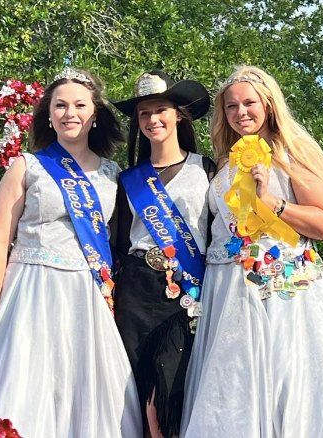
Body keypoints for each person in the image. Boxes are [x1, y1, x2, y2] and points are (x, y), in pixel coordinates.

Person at [181, 65, 323, 438]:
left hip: (282, 288)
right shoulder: (226, 159)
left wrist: (273, 203)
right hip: (226, 289)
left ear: (269, 104)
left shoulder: (296, 151)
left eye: (249, 103)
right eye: (231, 106)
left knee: (290, 382)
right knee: (232, 385)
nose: (241, 112)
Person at [0, 67, 142, 438]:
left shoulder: (112, 174)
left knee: (86, 388)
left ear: (94, 113)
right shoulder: (27, 165)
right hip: (30, 289)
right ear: (48, 115)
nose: (71, 113)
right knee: (23, 383)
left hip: (86, 294)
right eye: (61, 105)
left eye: (80, 105)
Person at [111, 70, 215, 438]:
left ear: (178, 115)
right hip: (137, 289)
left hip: (189, 288)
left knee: (174, 384)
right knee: (138, 383)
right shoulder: (128, 179)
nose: (152, 120)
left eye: (160, 111)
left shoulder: (206, 169)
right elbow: (119, 243)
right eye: (144, 114)